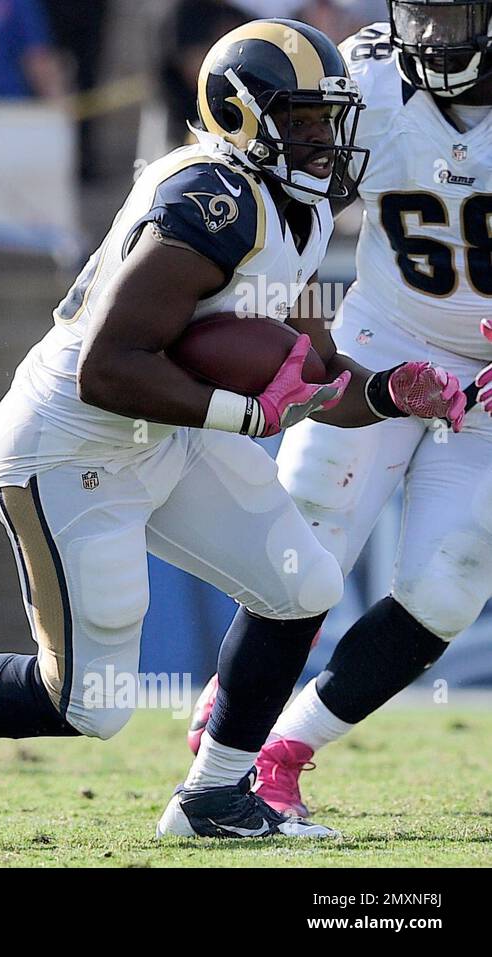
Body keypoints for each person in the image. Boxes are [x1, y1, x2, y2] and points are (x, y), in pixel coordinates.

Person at [0, 19, 465, 838]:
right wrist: (245, 413)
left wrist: (395, 391)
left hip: (171, 425)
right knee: (89, 703)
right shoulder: (208, 204)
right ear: (243, 118)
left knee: (303, 586)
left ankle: (212, 796)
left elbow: (309, 375)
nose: (322, 140)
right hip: (77, 440)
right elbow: (108, 367)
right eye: (299, 121)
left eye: (326, 119)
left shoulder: (300, 208)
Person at [188, 0, 492, 818]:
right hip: (380, 340)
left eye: (455, 15)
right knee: (301, 547)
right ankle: (232, 721)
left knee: (449, 582)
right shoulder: (361, 73)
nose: (432, 37)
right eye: (420, 14)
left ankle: (286, 749)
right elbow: (255, 176)